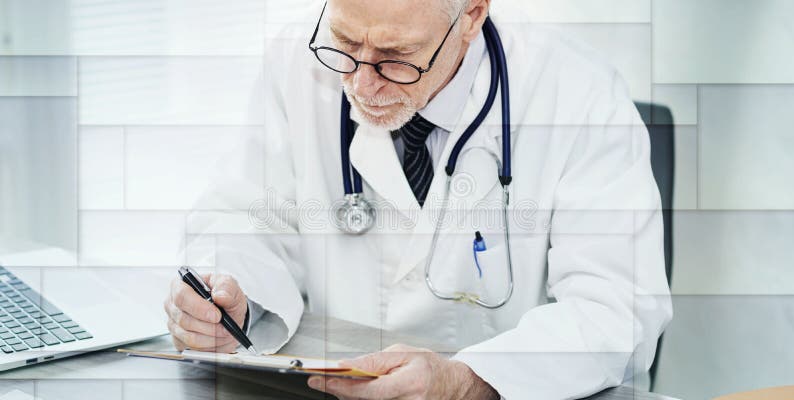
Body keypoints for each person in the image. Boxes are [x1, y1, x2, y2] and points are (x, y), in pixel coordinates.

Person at [163, 0, 673, 398]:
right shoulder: (296, 58)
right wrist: (229, 300)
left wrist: (468, 381)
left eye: (396, 58)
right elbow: (245, 215)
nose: (360, 83)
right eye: (344, 43)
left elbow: (618, 311)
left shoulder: (579, 96)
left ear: (471, 15)